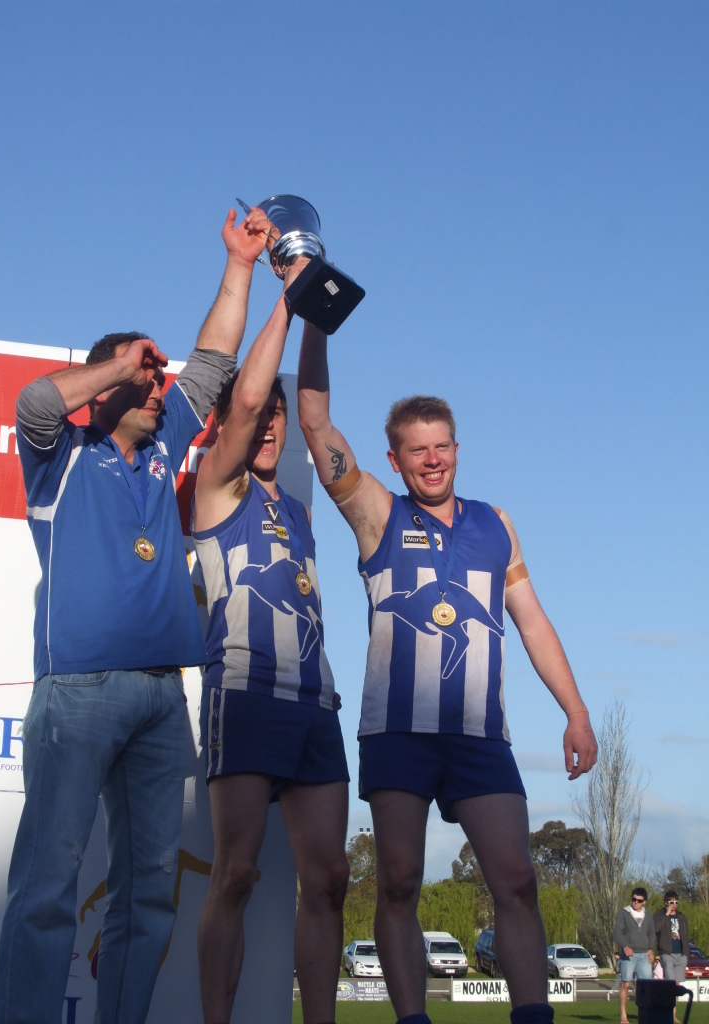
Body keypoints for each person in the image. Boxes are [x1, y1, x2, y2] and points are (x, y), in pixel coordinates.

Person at [0, 207, 271, 1024]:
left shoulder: (159, 454)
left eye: (156, 379)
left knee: (150, 892)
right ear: (107, 382)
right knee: (47, 883)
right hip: (77, 694)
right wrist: (120, 367)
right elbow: (34, 400)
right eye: (143, 379)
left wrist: (240, 264)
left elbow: (214, 363)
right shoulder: (60, 457)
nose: (158, 388)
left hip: (159, 699)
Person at [297, 327, 598, 1024]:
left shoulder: (497, 524)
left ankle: (533, 1015)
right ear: (395, 460)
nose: (432, 460)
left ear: (457, 450)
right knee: (398, 881)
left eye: (442, 446)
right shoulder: (376, 513)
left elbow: (533, 621)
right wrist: (315, 323)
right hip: (398, 730)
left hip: (480, 737)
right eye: (417, 450)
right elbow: (314, 421)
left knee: (517, 880)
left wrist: (575, 711)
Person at [191, 224, 350, 1024]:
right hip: (246, 692)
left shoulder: (296, 507)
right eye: (258, 418)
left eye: (277, 420)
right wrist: (285, 295)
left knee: (327, 880)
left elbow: (304, 399)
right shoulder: (214, 486)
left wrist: (317, 309)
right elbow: (248, 393)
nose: (269, 425)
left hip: (313, 705)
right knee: (238, 873)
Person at [613, 887, 656, 1024]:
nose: (635, 902)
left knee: (646, 986)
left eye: (639, 900)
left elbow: (651, 933)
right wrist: (625, 946)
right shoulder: (624, 913)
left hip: (644, 955)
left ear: (644, 902)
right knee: (625, 983)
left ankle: (645, 1014)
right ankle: (623, 1017)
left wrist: (650, 949)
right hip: (628, 955)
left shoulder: (648, 915)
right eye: (634, 899)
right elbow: (617, 932)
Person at [654, 889, 689, 1019]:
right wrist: (666, 915)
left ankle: (673, 1015)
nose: (674, 904)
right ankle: (667, 1013)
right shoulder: (659, 915)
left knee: (676, 986)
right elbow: (655, 929)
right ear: (666, 903)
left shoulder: (681, 917)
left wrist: (686, 953)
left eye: (676, 902)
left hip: (680, 954)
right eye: (671, 902)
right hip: (667, 953)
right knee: (670, 983)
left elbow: (685, 934)